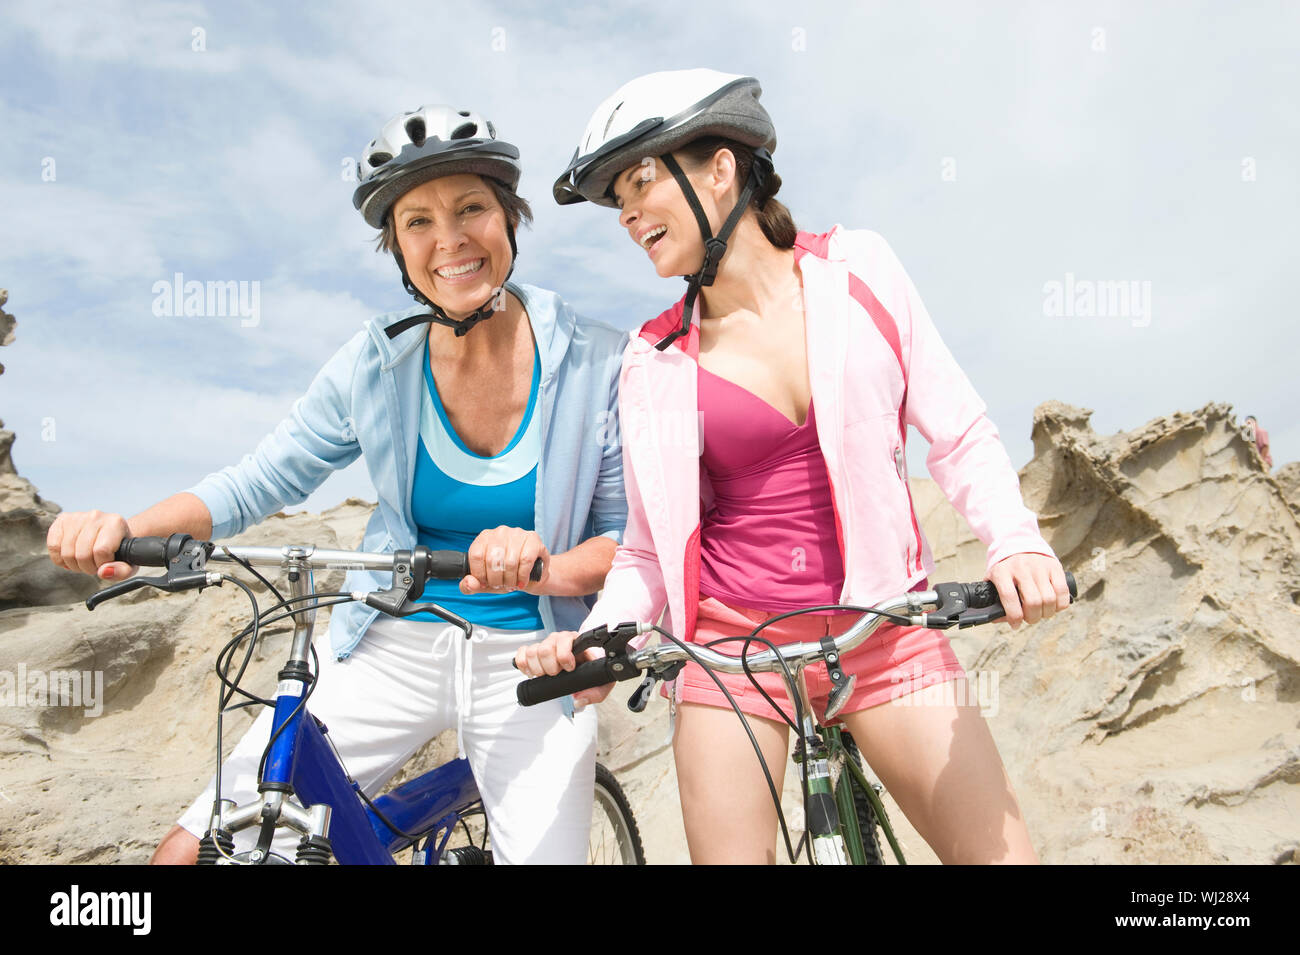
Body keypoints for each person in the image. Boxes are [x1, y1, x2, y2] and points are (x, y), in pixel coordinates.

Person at [47, 105, 628, 864]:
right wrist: (125, 533)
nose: (448, 239)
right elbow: (258, 479)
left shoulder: (597, 360)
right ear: (396, 247)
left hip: (530, 653)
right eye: (417, 221)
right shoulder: (374, 363)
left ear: (511, 218)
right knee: (187, 853)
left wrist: (545, 562)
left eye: (471, 208)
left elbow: (631, 538)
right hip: (390, 639)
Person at [518, 69, 1073, 864]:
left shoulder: (861, 273)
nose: (629, 212)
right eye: (618, 200)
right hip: (733, 652)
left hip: (886, 633)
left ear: (722, 168)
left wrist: (1014, 541)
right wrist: (603, 638)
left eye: (640, 180)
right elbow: (646, 547)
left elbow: (957, 431)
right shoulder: (653, 358)